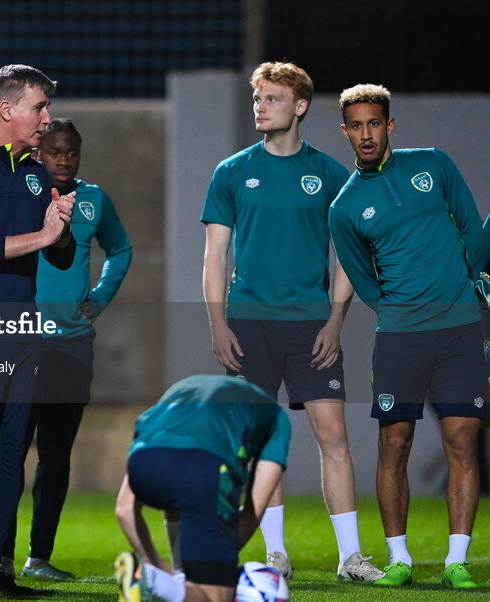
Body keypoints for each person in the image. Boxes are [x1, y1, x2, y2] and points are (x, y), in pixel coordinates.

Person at [200, 61, 382, 581]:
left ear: (300, 106)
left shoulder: (329, 174)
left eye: (272, 98)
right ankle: (276, 552)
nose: (261, 106)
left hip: (310, 326)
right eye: (258, 99)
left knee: (335, 436)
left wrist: (334, 321)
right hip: (248, 324)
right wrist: (217, 325)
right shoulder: (231, 171)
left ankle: (351, 557)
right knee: (261, 438)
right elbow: (214, 256)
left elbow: (350, 254)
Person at [329, 83, 488, 589]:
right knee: (393, 444)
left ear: (389, 125)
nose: (366, 134)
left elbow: (472, 229)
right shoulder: (344, 207)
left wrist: (471, 287)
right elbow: (363, 278)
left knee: (463, 440)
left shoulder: (434, 164)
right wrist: (399, 311)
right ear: (345, 132)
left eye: (374, 123)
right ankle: (398, 559)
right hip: (400, 338)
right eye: (356, 126)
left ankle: (456, 561)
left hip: (461, 329)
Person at [0, 63, 75, 597]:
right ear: (7, 110)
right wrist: (42, 236)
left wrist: (62, 228)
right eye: (39, 107)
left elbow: (61, 254)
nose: (47, 119)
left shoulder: (34, 172)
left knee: (12, 452)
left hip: (23, 325)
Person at [8, 117, 131, 580]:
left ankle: (38, 557)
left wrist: (98, 299)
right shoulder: (20, 193)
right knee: (10, 452)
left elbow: (120, 249)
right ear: (39, 152)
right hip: (20, 345)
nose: (63, 159)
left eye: (71, 152)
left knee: (55, 455)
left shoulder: (93, 200)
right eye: (54, 151)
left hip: (71, 348)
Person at [114, 375, 289, 602]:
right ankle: (155, 581)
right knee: (214, 596)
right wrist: (214, 561)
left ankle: (157, 578)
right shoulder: (275, 416)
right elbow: (252, 511)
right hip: (204, 470)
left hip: (145, 465)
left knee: (180, 500)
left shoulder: (180, 390)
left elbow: (124, 510)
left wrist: (159, 569)